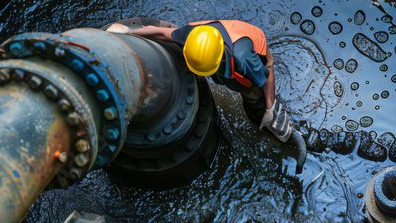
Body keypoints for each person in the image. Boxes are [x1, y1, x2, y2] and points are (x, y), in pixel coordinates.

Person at [107, 19, 292, 142]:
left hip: (251, 47)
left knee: (254, 99)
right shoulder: (192, 36)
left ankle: (265, 128)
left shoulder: (246, 61)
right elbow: (160, 33)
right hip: (218, 41)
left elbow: (267, 70)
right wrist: (128, 34)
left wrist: (270, 107)